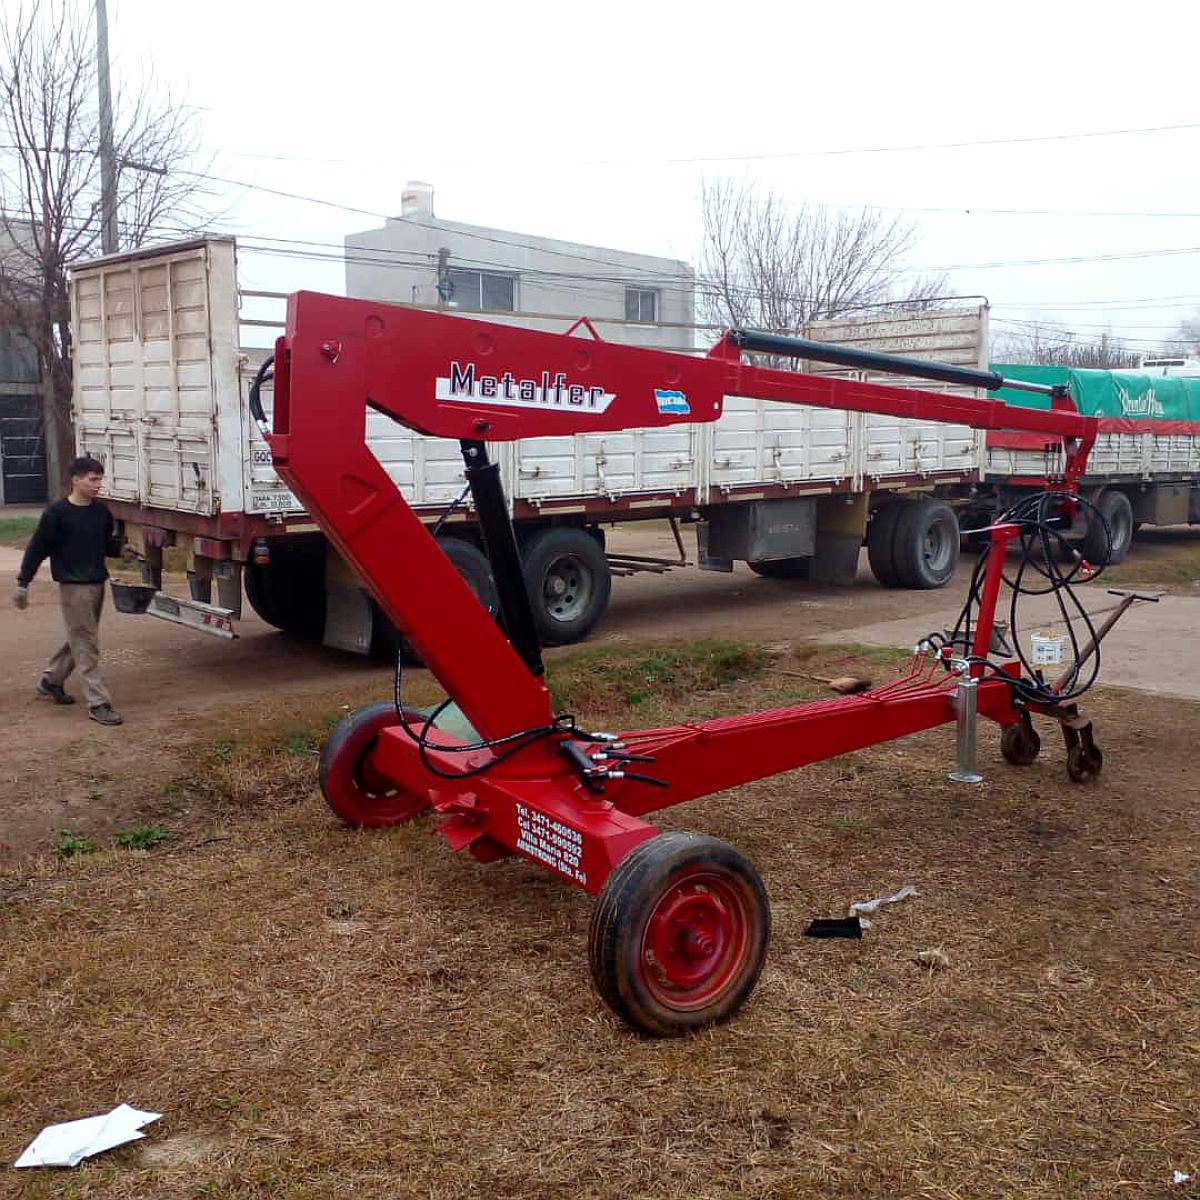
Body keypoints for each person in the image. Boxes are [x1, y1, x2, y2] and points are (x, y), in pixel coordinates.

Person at [13, 455, 124, 726]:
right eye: (92, 479)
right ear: (75, 480)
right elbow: (37, 548)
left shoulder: (101, 512)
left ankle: (52, 681)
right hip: (73, 588)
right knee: (86, 643)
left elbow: (106, 546)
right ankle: (98, 703)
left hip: (97, 583)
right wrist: (22, 583)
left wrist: (123, 549)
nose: (97, 484)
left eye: (100, 479)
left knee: (80, 637)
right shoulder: (57, 514)